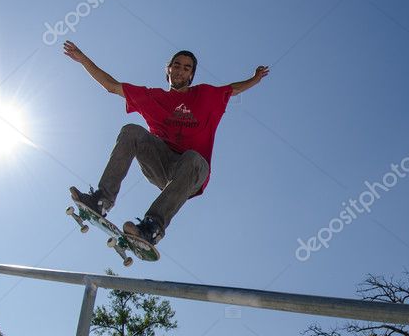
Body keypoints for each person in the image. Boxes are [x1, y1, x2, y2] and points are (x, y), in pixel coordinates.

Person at [63, 40, 268, 249]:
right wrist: (83, 60)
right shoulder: (153, 97)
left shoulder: (205, 95)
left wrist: (255, 79)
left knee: (192, 157)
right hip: (160, 166)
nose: (180, 71)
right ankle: (101, 200)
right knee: (131, 130)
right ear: (168, 69)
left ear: (191, 75)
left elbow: (233, 89)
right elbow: (112, 86)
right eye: (176, 65)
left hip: (192, 173)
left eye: (186, 68)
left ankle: (152, 228)